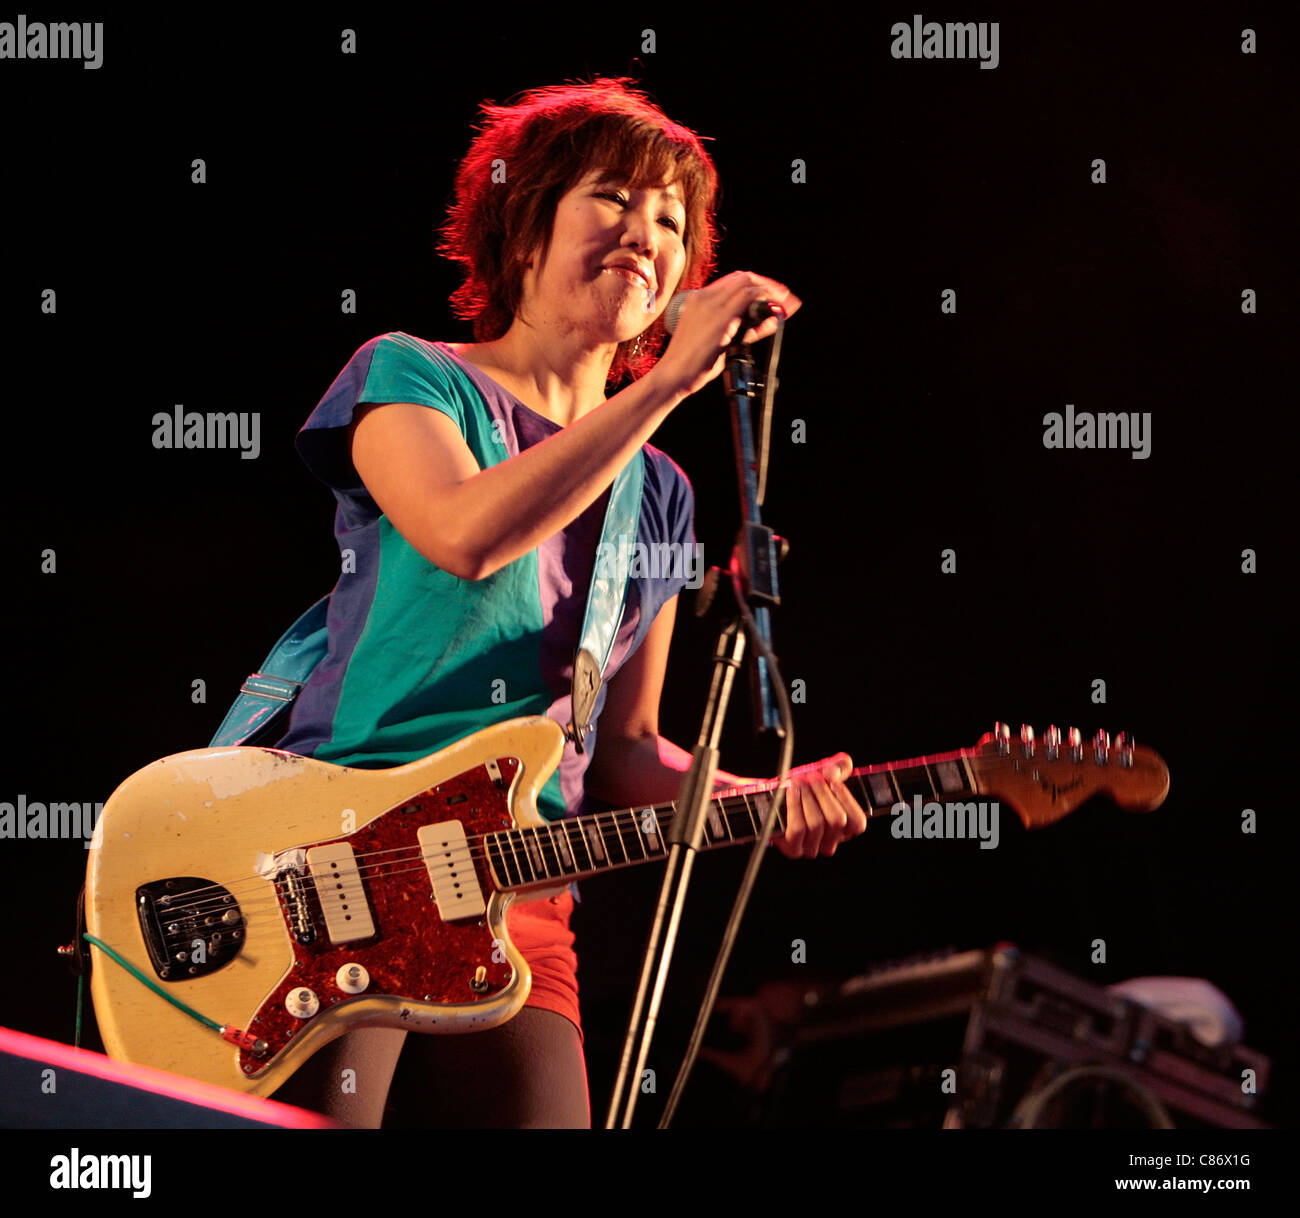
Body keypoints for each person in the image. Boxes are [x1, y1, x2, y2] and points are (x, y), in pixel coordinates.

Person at [267, 77, 867, 1128]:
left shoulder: (663, 493)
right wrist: (668, 385)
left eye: (672, 221)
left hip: (521, 890)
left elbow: (627, 749)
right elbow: (463, 532)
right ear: (527, 222)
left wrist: (761, 796)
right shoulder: (410, 373)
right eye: (613, 199)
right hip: (348, 846)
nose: (647, 233)